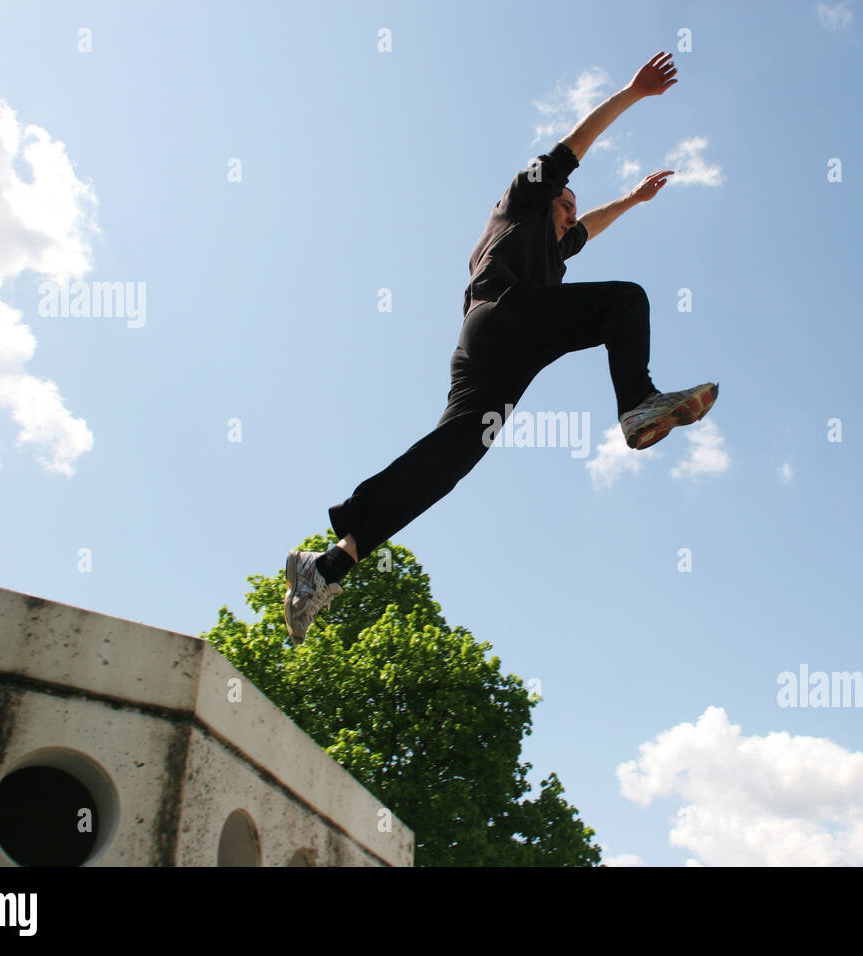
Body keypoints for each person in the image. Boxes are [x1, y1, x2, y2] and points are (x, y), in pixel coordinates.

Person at [285, 51, 718, 641]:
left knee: (448, 461)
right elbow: (574, 144)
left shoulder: (557, 248)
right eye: (566, 207)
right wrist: (634, 92)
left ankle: (324, 569)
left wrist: (635, 201)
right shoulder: (521, 203)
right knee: (625, 300)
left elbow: (593, 222)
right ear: (550, 197)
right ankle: (638, 400)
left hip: (497, 360)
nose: (571, 221)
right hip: (499, 318)